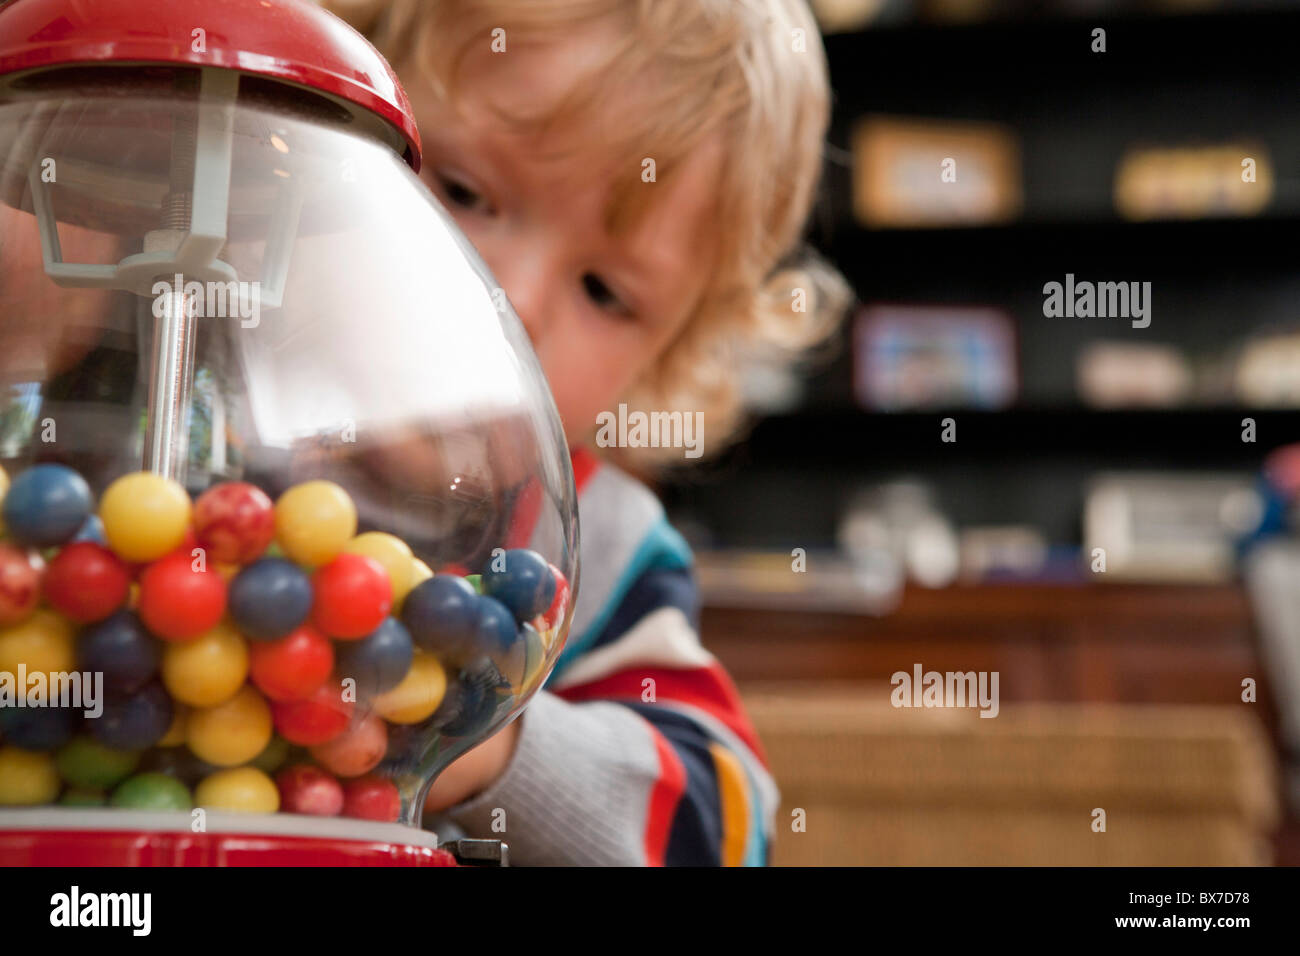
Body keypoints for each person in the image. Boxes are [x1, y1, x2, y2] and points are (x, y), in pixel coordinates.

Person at [329, 0, 852, 865]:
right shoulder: (173, 397)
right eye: (462, 191)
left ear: (663, 363)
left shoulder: (605, 553)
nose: (514, 300)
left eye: (606, 292)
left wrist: (485, 747)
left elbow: (727, 825)